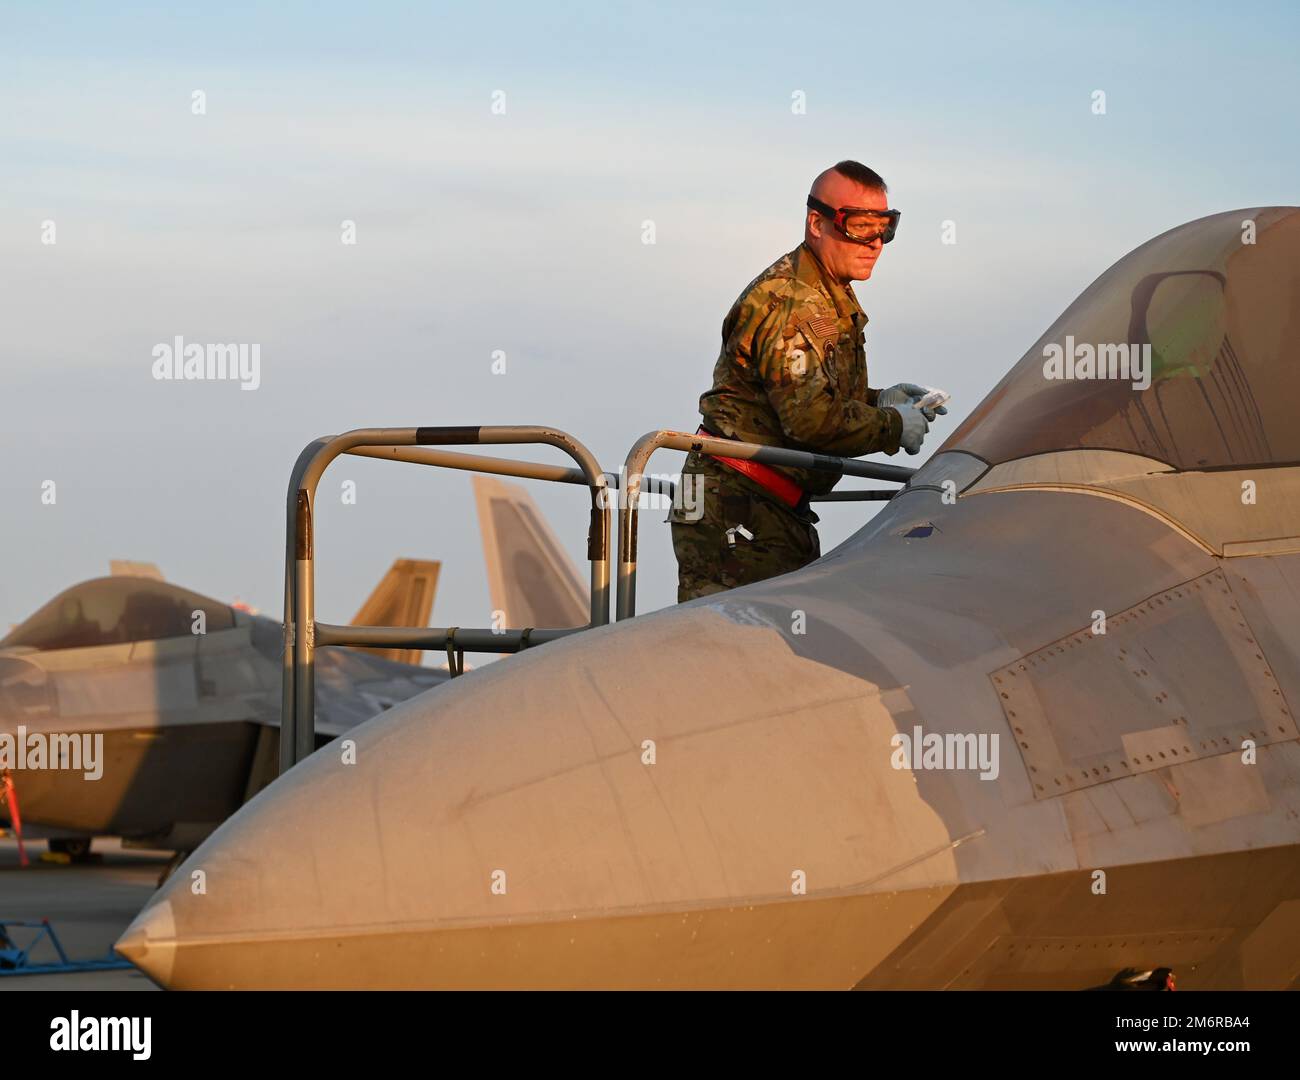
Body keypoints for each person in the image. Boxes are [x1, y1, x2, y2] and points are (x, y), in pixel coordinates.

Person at [670, 160, 943, 602]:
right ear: (817, 222)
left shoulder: (827, 292)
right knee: (742, 655)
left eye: (885, 228)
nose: (875, 243)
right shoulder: (791, 302)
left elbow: (810, 394)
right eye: (859, 226)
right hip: (738, 507)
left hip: (768, 506)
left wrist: (880, 402)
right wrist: (892, 425)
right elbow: (810, 419)